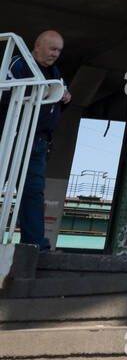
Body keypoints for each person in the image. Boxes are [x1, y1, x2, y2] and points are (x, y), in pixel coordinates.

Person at [4, 32, 72, 249]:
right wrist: (40, 93)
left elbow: (54, 102)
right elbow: (6, 95)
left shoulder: (54, 72)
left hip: (38, 140)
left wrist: (64, 98)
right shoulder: (18, 63)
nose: (55, 54)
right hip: (12, 135)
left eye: (59, 50)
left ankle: (34, 243)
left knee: (33, 191)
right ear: (37, 45)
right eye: (52, 49)